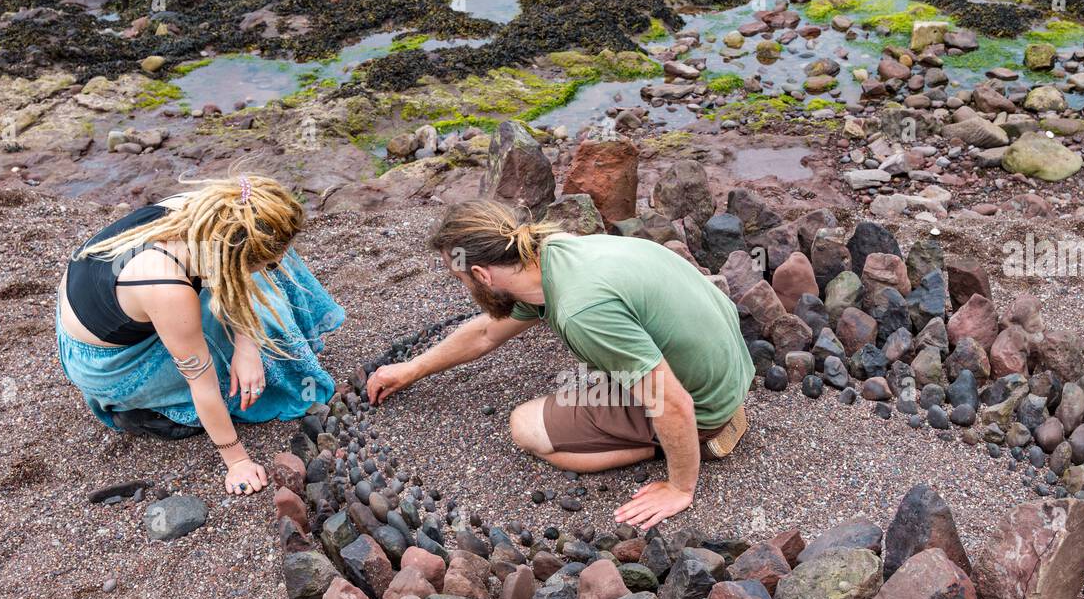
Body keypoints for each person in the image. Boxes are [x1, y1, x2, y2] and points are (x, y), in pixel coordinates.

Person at [366, 198, 754, 530]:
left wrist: (680, 487)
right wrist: (411, 369)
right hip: (730, 365)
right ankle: (694, 425)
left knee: (527, 427)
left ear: (482, 275)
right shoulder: (552, 252)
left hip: (698, 402)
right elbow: (487, 333)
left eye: (462, 279)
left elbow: (671, 401)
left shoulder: (580, 310)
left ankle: (690, 441)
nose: (465, 289)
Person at [57, 174, 345, 496]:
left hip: (116, 304)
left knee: (270, 260)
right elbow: (202, 382)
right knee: (238, 358)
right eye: (262, 261)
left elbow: (244, 272)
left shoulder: (214, 210)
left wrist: (247, 345)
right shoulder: (167, 289)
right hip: (110, 361)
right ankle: (139, 410)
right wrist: (237, 461)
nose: (275, 262)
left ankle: (248, 316)